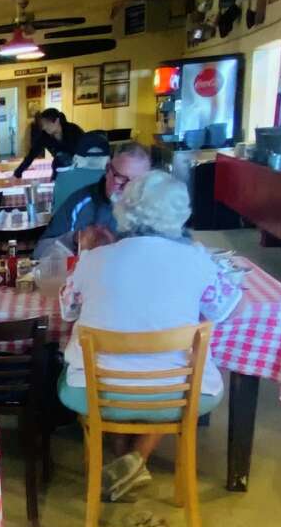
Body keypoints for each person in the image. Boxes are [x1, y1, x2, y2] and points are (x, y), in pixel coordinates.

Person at [57, 171, 240, 501]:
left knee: (114, 374)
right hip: (176, 389)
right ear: (180, 213)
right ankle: (135, 460)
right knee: (175, 375)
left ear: (125, 209)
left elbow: (67, 310)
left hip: (97, 390)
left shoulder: (95, 259)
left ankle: (121, 459)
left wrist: (86, 255)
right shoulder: (196, 258)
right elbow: (222, 308)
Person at [32, 141, 151, 258]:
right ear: (108, 169)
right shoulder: (80, 202)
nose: (127, 188)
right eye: (121, 178)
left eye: (137, 182)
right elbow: (39, 252)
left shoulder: (152, 210)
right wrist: (74, 239)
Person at [14, 108, 84, 179]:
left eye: (46, 124)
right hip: (59, 166)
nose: (44, 127)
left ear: (56, 121)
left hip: (79, 165)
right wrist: (18, 173)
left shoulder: (73, 130)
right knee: (58, 160)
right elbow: (31, 155)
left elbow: (86, 148)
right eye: (43, 125)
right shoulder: (44, 136)